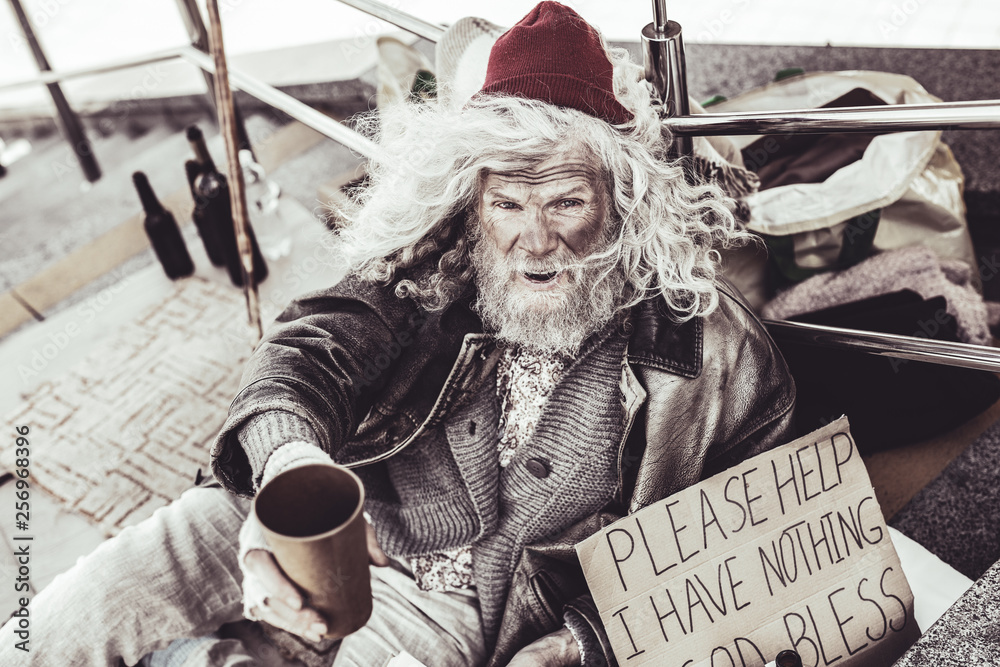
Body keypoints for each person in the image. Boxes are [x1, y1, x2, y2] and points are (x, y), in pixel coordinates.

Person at [0, 2, 795, 665]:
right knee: (58, 622)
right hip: (326, 514)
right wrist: (287, 469)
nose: (534, 239)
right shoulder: (435, 263)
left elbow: (742, 536)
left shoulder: (710, 351)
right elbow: (311, 346)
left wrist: (579, 643)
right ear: (472, 201)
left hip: (452, 603)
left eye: (564, 202)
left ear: (622, 204)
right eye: (508, 204)